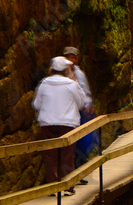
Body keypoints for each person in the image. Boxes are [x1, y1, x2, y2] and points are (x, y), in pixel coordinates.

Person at [32, 56, 86, 195]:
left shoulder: (44, 83)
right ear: (65, 70)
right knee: (67, 155)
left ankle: (52, 187)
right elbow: (81, 103)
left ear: (52, 69)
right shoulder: (72, 84)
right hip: (67, 124)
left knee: (50, 156)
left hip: (47, 124)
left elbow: (36, 104)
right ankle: (67, 187)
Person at [63, 45, 97, 175]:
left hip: (80, 112)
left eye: (72, 57)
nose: (70, 60)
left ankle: (80, 170)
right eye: (68, 57)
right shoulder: (61, 73)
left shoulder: (79, 74)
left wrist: (88, 104)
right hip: (66, 114)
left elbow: (85, 92)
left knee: (82, 142)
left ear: (77, 59)